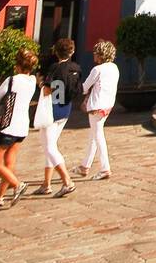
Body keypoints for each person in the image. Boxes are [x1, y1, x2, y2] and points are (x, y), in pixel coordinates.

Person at [0, 47, 39, 209]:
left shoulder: (12, 80)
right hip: (22, 126)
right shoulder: (32, 81)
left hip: (7, 126)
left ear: (17, 65)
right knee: (9, 162)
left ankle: (17, 185)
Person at [35, 38, 80, 198]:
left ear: (56, 52)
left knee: (49, 148)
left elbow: (47, 89)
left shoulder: (55, 68)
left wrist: (40, 84)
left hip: (52, 110)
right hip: (66, 109)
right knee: (50, 145)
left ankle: (67, 181)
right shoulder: (76, 68)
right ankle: (46, 184)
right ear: (72, 51)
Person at [75, 40, 119, 181]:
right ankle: (85, 166)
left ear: (100, 54)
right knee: (94, 135)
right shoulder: (114, 68)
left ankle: (105, 168)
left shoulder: (97, 70)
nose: (93, 55)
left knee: (98, 136)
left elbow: (84, 87)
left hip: (97, 106)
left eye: (95, 52)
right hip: (108, 105)